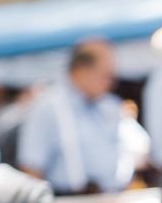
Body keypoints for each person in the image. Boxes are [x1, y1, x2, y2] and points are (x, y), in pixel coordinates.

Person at [17, 39, 148, 194]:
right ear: (82, 70)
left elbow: (140, 148)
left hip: (114, 200)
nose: (111, 84)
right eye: (106, 76)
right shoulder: (48, 107)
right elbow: (31, 167)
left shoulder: (110, 105)